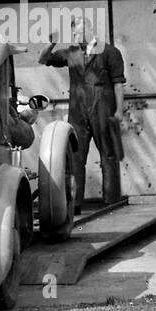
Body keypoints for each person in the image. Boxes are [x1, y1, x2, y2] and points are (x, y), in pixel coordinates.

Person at [37, 13, 126, 210]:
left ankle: (111, 201)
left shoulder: (110, 52)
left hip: (103, 106)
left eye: (77, 32)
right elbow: (43, 60)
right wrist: (51, 43)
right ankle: (75, 204)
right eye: (73, 33)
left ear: (88, 29)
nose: (75, 36)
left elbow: (119, 83)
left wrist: (119, 110)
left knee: (109, 155)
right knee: (76, 156)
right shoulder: (71, 53)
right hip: (77, 108)